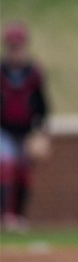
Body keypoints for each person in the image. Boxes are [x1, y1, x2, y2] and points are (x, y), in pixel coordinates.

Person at [0, 21, 50, 232]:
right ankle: (6, 215)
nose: (15, 52)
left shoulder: (33, 74)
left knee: (24, 172)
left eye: (18, 46)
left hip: (26, 131)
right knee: (5, 165)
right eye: (12, 47)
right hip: (4, 129)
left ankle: (19, 216)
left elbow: (42, 106)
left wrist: (41, 132)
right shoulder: (1, 72)